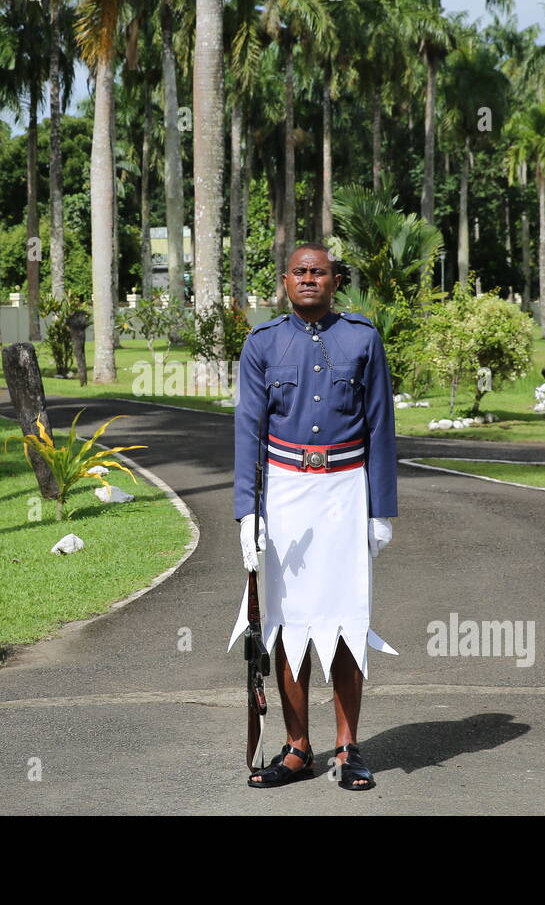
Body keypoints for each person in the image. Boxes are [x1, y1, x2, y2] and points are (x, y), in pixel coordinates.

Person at [227, 243, 398, 790]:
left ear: (334, 280)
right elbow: (247, 433)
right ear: (285, 280)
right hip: (285, 494)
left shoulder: (362, 338)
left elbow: (382, 430)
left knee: (347, 622)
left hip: (346, 492)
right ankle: (297, 746)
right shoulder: (262, 343)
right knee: (286, 624)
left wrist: (380, 511)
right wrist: (246, 514)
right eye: (299, 271)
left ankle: (348, 748)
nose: (308, 279)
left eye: (318, 272)